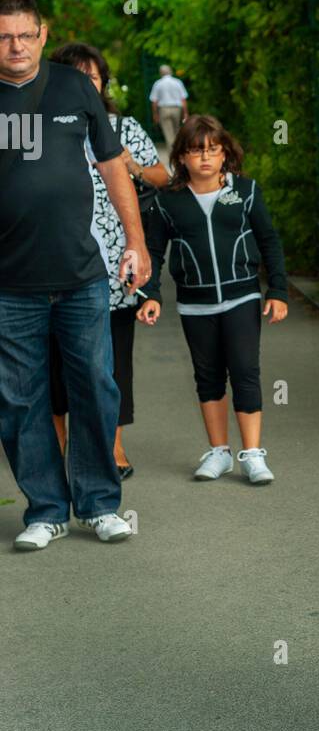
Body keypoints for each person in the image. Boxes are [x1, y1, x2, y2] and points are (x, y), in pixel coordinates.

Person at [0, 0, 151, 550]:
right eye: (3, 36)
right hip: (10, 284)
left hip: (82, 277)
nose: (15, 46)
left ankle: (98, 504)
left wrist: (135, 242)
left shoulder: (73, 87)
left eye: (24, 34)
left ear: (42, 35)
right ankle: (45, 510)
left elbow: (114, 167)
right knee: (20, 399)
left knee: (95, 387)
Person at [136, 114, 289, 483]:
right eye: (195, 151)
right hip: (194, 304)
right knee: (208, 377)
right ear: (181, 157)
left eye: (212, 150)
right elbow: (154, 251)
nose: (204, 158)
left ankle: (252, 454)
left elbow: (268, 240)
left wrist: (278, 290)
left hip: (242, 297)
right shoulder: (167, 201)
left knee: (245, 372)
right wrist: (150, 294)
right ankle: (219, 452)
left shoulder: (246, 191)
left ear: (225, 154)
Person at [47, 42, 171, 479]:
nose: (85, 85)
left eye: (93, 77)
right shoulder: (41, 123)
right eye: (76, 76)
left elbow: (161, 175)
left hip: (115, 263)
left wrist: (128, 164)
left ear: (102, 84)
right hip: (53, 263)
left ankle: (113, 446)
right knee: (55, 362)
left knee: (113, 362)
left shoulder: (121, 125)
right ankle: (61, 450)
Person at [149, 63, 188, 150]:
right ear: (170, 72)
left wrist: (155, 115)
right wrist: (185, 113)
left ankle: (173, 155)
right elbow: (183, 99)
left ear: (161, 73)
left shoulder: (157, 84)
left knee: (168, 134)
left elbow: (154, 101)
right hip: (176, 109)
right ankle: (179, 152)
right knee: (177, 131)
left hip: (164, 110)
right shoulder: (178, 82)